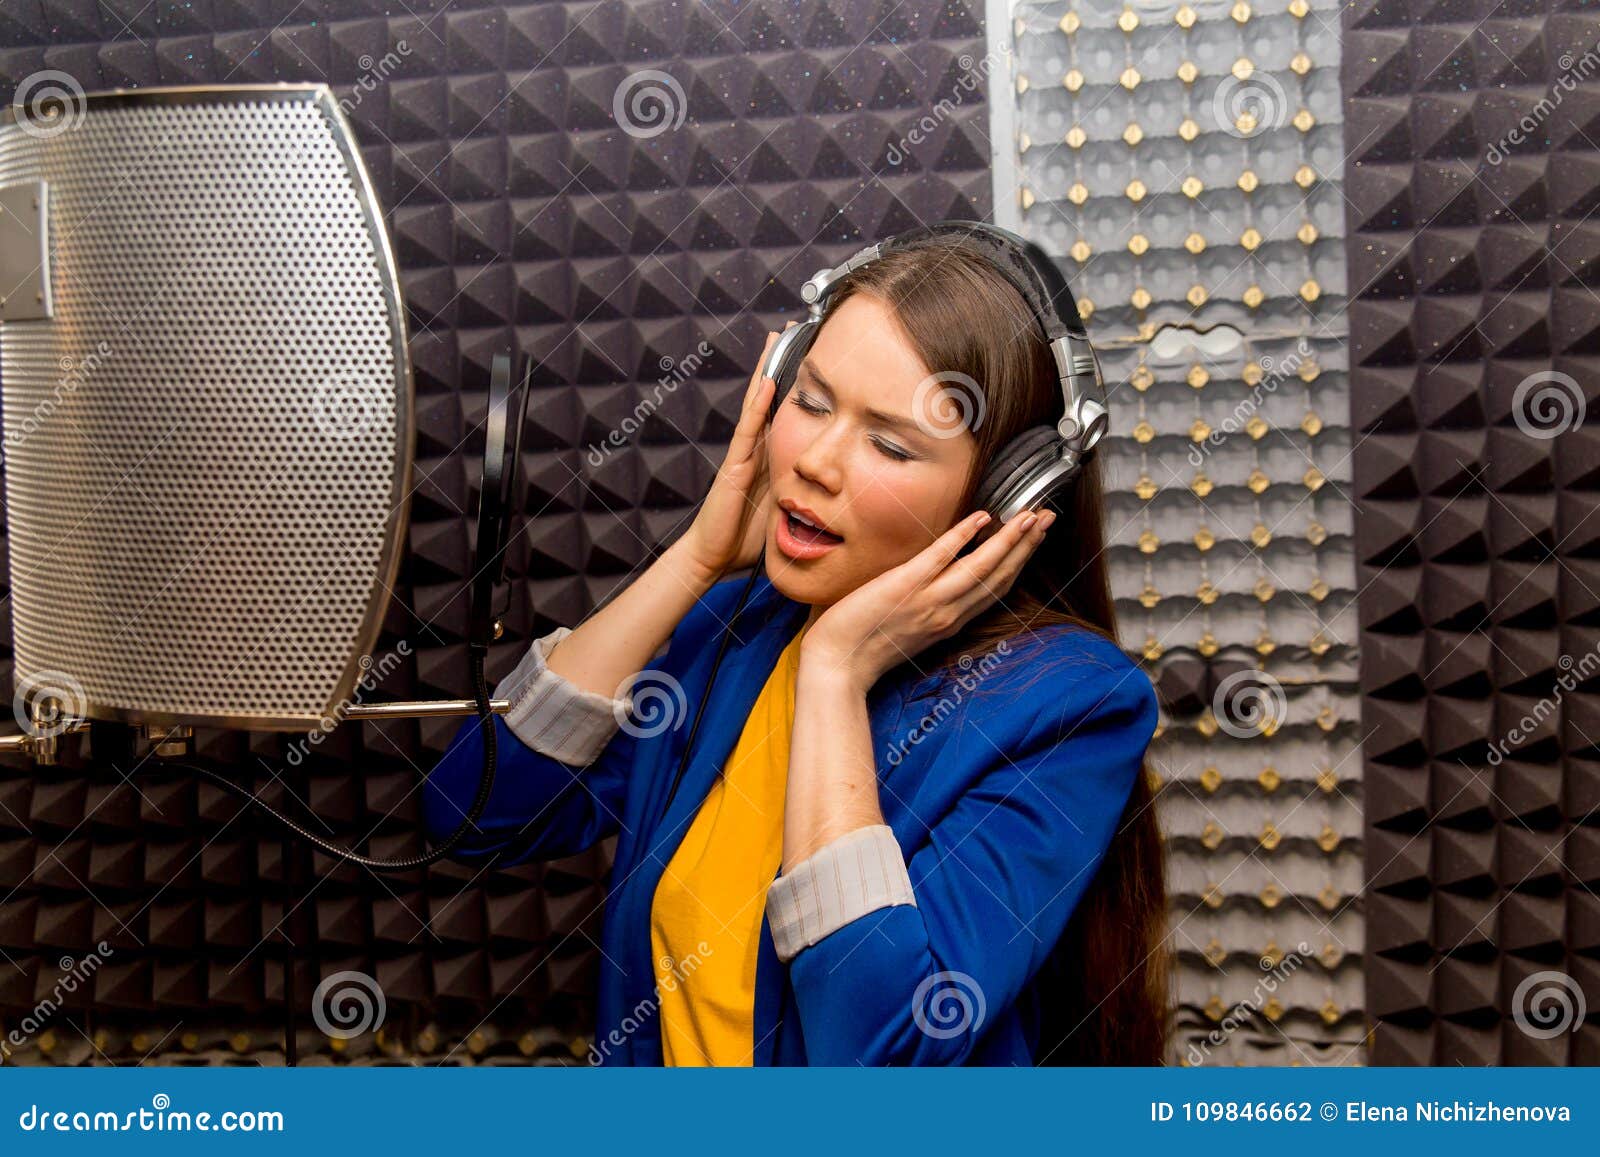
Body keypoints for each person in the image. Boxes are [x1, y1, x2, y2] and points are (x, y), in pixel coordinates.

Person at [422, 233, 1167, 1066]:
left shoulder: (1068, 706)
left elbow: (879, 1051)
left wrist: (836, 673)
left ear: (1003, 494)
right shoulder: (741, 628)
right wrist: (694, 561)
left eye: (888, 444)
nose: (814, 461)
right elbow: (473, 814)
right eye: (811, 402)